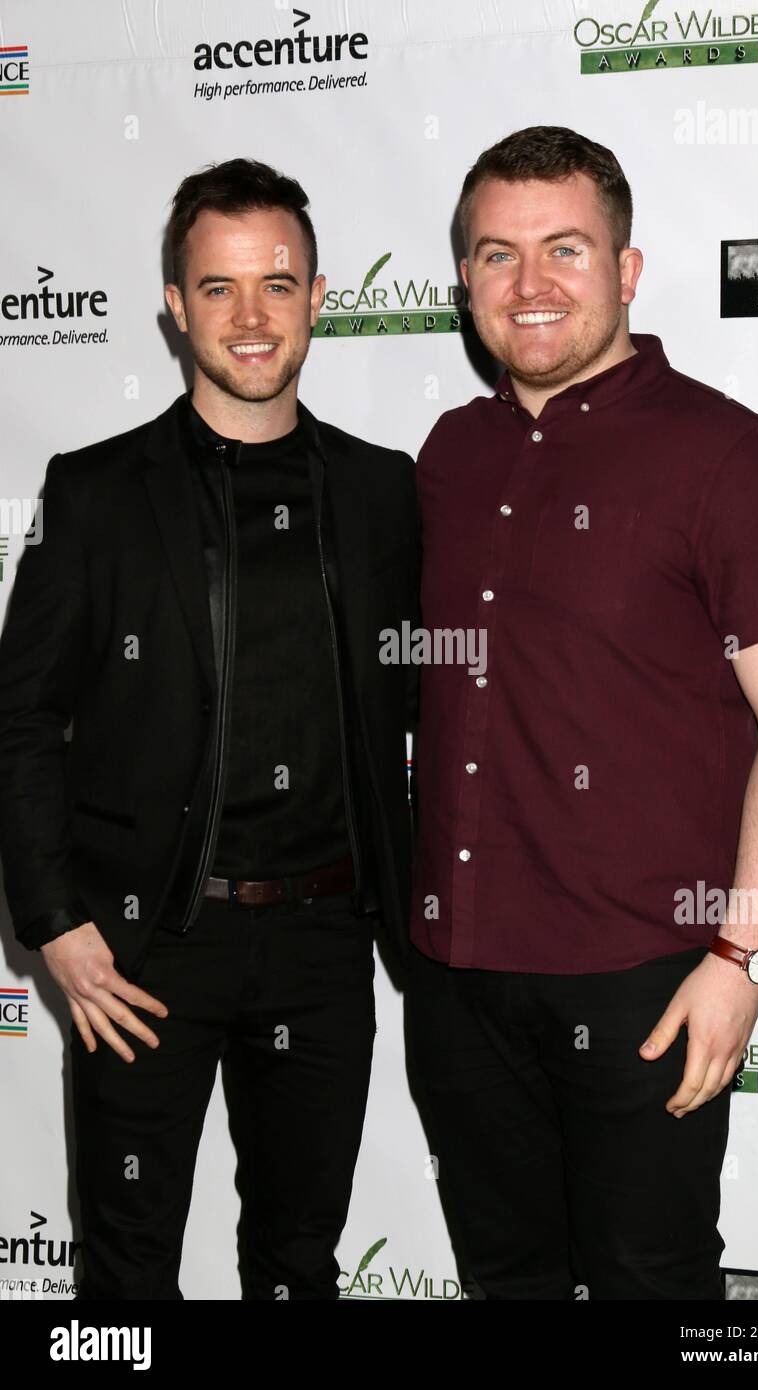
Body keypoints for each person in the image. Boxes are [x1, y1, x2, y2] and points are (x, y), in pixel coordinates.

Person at [405, 125, 758, 1300]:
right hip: (455, 977)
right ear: (464, 282)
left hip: (645, 977)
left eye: (564, 249)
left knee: (650, 1278)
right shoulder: (446, 454)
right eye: (496, 255)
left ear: (627, 269)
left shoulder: (729, 455)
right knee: (505, 1278)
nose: (529, 285)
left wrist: (741, 953)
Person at [0, 157, 420, 1300]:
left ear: (318, 297)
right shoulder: (93, 492)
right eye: (219, 287)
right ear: (174, 306)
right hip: (146, 948)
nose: (249, 316)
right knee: (124, 1269)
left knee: (298, 1262)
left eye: (277, 285)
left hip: (325, 944)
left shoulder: (385, 493)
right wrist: (54, 921)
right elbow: (22, 714)